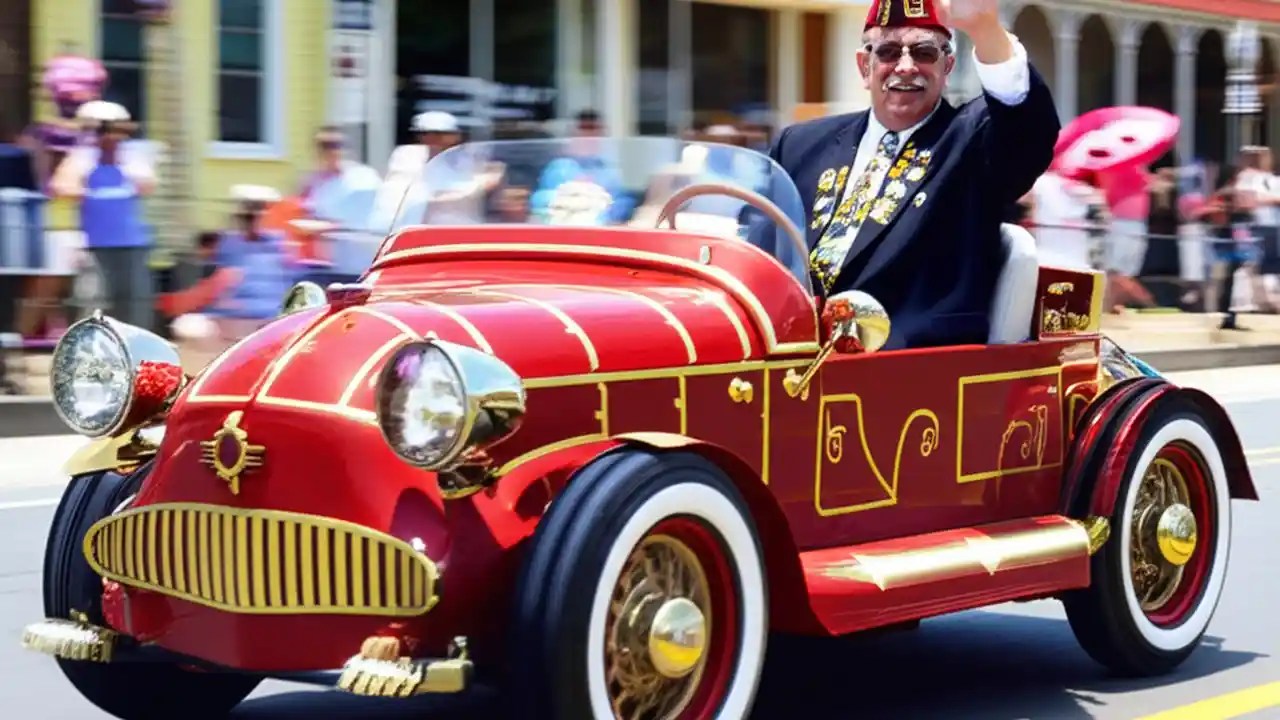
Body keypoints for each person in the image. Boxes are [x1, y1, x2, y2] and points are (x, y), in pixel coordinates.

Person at [766, 0, 1059, 349]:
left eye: (924, 53)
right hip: (785, 350)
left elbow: (1027, 127)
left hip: (908, 370)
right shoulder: (800, 144)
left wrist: (985, 31)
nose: (905, 67)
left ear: (947, 65)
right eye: (888, 52)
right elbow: (757, 242)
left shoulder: (972, 140)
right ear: (865, 66)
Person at [49, 100, 158, 331]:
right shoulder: (82, 158)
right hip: (95, 247)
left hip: (133, 245)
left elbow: (148, 184)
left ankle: (135, 359)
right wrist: (93, 190)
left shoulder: (133, 155)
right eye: (104, 129)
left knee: (135, 305)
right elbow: (61, 187)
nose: (112, 136)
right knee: (91, 303)